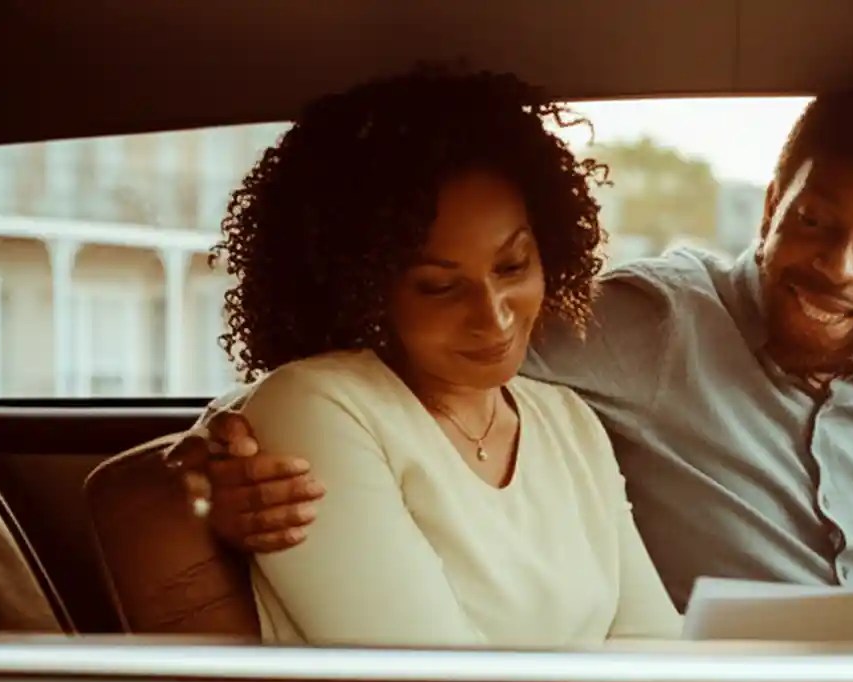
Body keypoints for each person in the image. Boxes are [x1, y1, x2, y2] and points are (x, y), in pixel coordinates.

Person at [170, 87, 853, 641]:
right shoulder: (641, 322)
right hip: (746, 681)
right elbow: (366, 359)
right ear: (770, 206)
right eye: (813, 224)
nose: (836, 268)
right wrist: (218, 450)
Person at [188, 68, 683, 648]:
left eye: (512, 266)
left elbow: (656, 647)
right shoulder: (319, 407)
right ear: (363, 289)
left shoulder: (569, 421)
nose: (494, 315)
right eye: (440, 287)